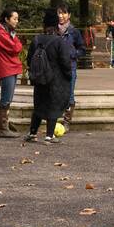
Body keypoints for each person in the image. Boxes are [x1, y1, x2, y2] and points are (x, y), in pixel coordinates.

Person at [25, 9, 74, 143]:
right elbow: (65, 62)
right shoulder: (59, 41)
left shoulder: (36, 39)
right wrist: (69, 76)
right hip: (55, 79)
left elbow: (29, 59)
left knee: (39, 104)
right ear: (56, 24)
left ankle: (32, 133)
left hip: (40, 78)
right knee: (53, 105)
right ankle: (49, 135)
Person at [0, 9, 22, 137]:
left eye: (17, 18)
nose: (17, 21)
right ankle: (3, 128)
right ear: (6, 19)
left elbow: (18, 46)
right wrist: (15, 41)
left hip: (11, 66)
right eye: (14, 18)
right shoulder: (1, 33)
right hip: (6, 67)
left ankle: (5, 123)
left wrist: (15, 41)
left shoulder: (8, 32)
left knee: (8, 97)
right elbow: (16, 48)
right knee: (6, 97)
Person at [56, 4, 86, 126]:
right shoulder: (54, 30)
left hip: (70, 67)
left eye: (63, 13)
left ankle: (67, 121)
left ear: (69, 15)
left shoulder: (74, 32)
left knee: (69, 95)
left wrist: (73, 54)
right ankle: (54, 120)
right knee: (56, 93)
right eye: (59, 13)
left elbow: (82, 49)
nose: (61, 15)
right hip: (56, 68)